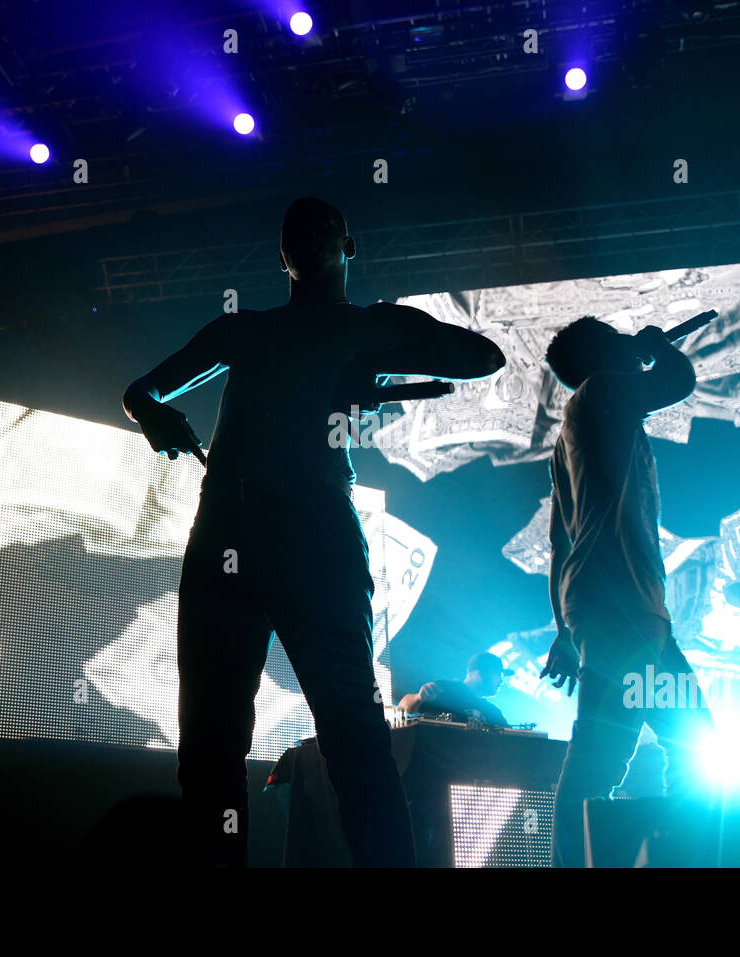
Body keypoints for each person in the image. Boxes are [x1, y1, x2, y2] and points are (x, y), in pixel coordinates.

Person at [121, 197, 505, 867]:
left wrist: (383, 348)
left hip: (292, 526)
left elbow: (484, 356)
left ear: (347, 245)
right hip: (244, 530)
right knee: (214, 746)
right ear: (286, 255)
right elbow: (141, 391)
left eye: (322, 223)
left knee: (347, 736)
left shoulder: (356, 326)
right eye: (297, 227)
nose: (309, 230)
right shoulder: (247, 329)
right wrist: (151, 414)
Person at [539, 316, 716, 867]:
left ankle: (666, 856)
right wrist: (657, 345)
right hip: (621, 608)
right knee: (609, 764)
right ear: (601, 354)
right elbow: (678, 380)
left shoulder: (582, 425)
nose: (626, 341)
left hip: (621, 609)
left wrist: (565, 632)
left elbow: (560, 545)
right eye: (616, 337)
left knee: (691, 748)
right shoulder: (601, 390)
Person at [396, 652, 512, 726]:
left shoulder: (493, 711)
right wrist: (418, 698)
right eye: (498, 674)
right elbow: (403, 707)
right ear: (480, 672)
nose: (501, 681)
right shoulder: (447, 688)